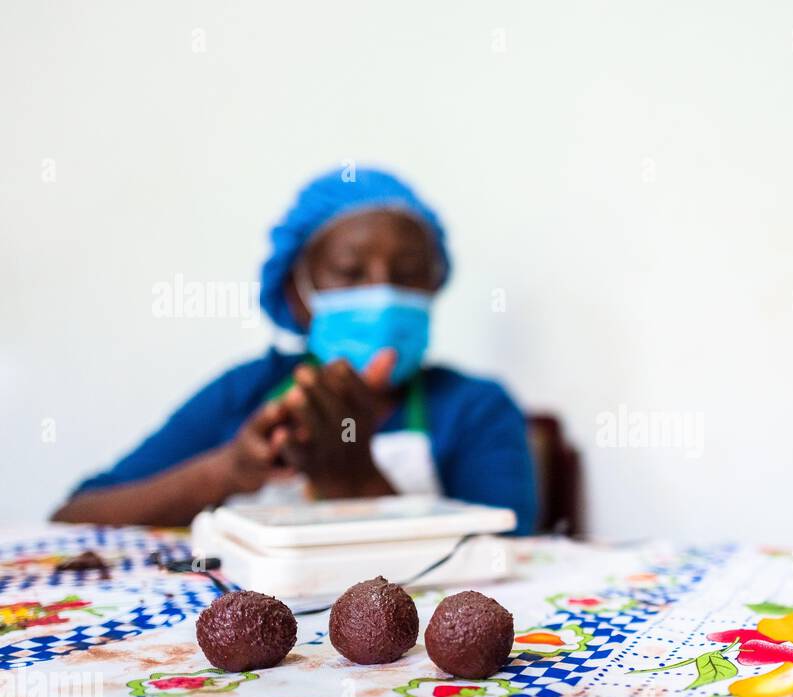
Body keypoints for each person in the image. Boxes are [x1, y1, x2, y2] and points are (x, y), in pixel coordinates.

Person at [52, 168, 537, 533]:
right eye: (350, 272)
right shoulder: (245, 393)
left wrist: (356, 480)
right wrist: (230, 470)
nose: (382, 293)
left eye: (408, 273)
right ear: (296, 295)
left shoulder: (475, 408)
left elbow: (513, 557)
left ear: (434, 287)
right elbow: (74, 517)